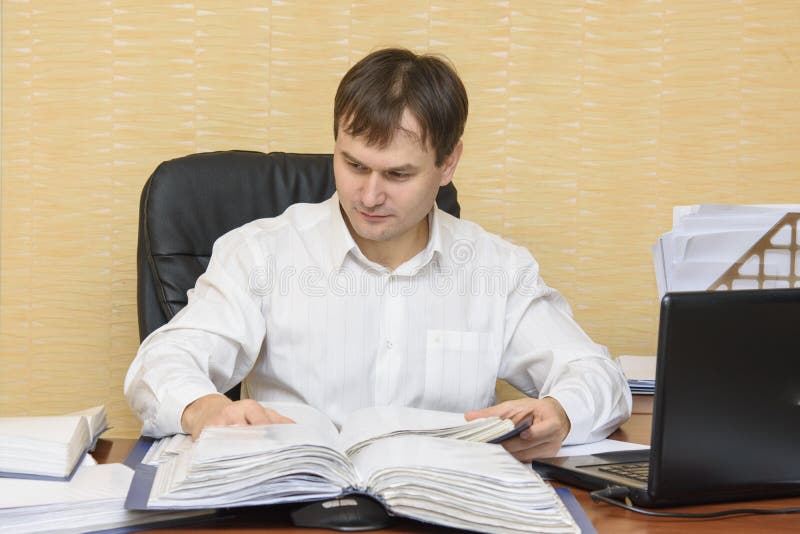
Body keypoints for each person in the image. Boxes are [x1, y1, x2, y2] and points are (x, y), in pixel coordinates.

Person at [124, 47, 631, 462]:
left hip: (448, 506)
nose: (368, 195)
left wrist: (561, 411)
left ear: (448, 162)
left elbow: (596, 375)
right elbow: (164, 360)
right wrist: (202, 407)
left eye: (398, 175)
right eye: (353, 165)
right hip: (294, 500)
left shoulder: (496, 269)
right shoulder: (261, 253)